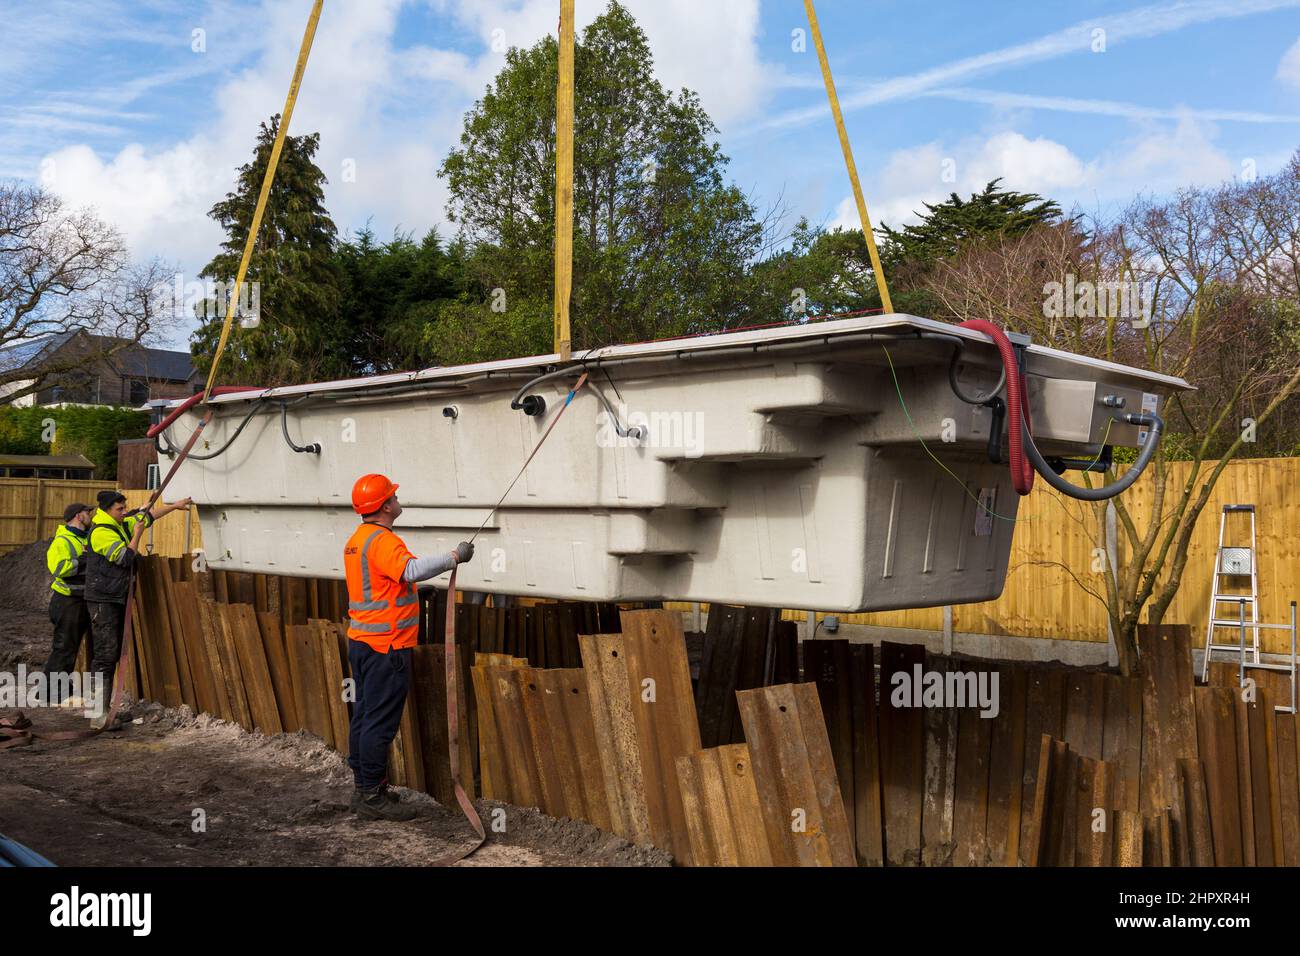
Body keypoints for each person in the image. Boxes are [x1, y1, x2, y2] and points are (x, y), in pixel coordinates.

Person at [344, 473, 473, 821]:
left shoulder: (357, 539)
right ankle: (371, 795)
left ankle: (365, 787)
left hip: (362, 642)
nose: (398, 499)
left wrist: (412, 595)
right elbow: (410, 570)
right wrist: (454, 557)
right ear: (385, 506)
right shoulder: (384, 541)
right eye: (393, 496)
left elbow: (382, 585)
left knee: (364, 715)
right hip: (387, 648)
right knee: (379, 722)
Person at [84, 490, 192, 729]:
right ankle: (97, 714)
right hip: (103, 599)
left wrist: (175, 506)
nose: (125, 513)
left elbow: (148, 515)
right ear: (106, 509)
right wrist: (137, 536)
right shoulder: (102, 532)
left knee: (110, 653)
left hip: (114, 597)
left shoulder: (117, 524)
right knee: (105, 655)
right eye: (120, 509)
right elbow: (125, 557)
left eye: (125, 508)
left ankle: (104, 711)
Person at [43, 502, 93, 703]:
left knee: (70, 646)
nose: (91, 516)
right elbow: (60, 568)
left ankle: (60, 688)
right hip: (66, 601)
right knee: (64, 647)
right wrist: (84, 561)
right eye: (87, 513)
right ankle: (51, 692)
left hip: (78, 600)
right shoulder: (62, 541)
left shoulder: (83, 539)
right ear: (78, 516)